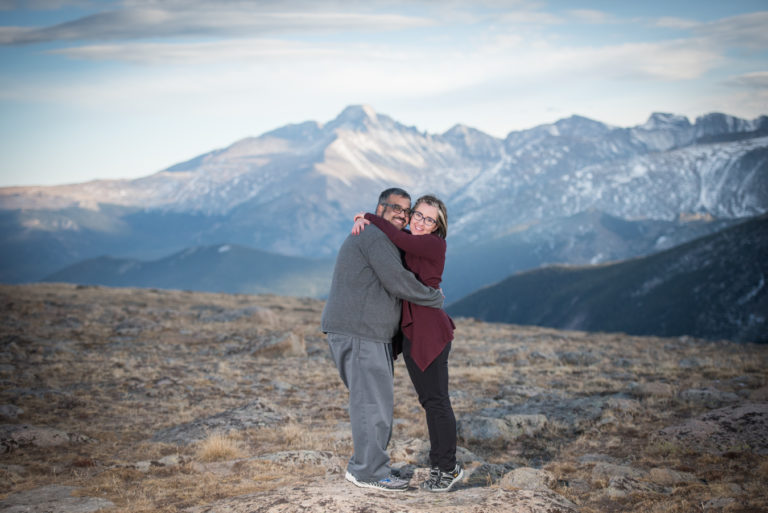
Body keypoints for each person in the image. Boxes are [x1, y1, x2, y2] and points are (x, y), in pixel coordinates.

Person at [321, 187, 445, 492]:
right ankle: (367, 472)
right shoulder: (374, 237)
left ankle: (374, 466)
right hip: (360, 332)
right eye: (395, 208)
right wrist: (432, 297)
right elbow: (398, 280)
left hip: (367, 334)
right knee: (370, 404)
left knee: (374, 403)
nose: (401, 215)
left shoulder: (379, 234)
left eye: (406, 210)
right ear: (379, 207)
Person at [352, 194, 462, 492]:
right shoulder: (409, 235)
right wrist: (370, 224)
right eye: (418, 214)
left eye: (430, 219)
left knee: (437, 401)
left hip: (430, 332)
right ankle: (441, 467)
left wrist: (369, 217)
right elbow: (395, 240)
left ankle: (448, 468)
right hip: (415, 332)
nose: (421, 221)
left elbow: (404, 243)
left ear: (438, 225)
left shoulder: (433, 243)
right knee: (429, 402)